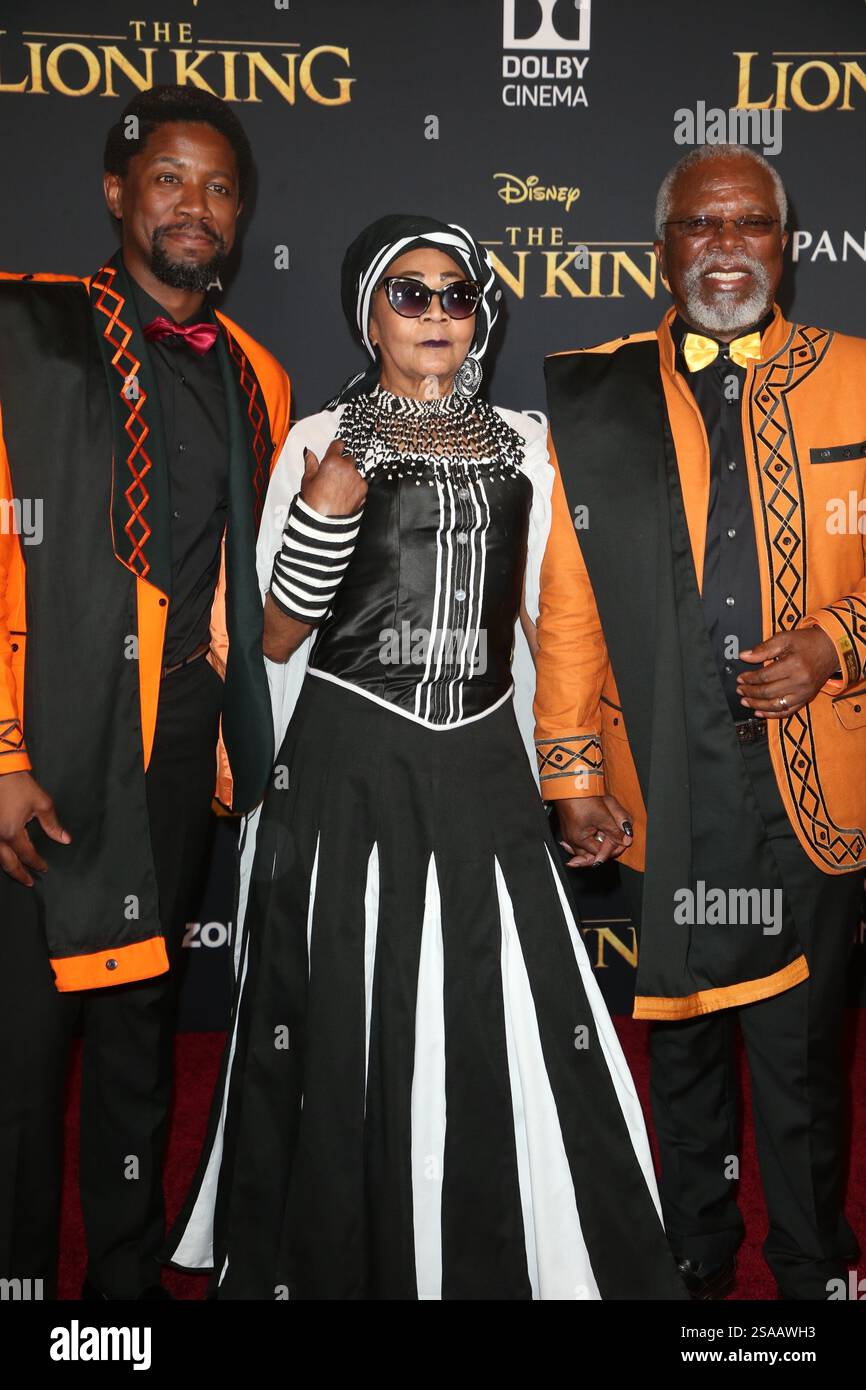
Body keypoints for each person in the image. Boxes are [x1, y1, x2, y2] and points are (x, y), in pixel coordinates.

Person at [165, 214, 687, 1300]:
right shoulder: (317, 435)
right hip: (348, 761)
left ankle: (530, 1250)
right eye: (411, 295)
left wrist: (573, 772)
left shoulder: (530, 447)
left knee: (513, 1002)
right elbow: (270, 637)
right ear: (370, 314)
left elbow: (560, 625)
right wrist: (321, 510)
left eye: (456, 294)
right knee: (348, 1002)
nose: (438, 314)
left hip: (485, 761)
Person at [535, 144, 866, 1301]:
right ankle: (693, 1254)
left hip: (811, 775)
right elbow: (564, 599)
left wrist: (834, 642)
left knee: (802, 1052)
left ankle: (814, 1264)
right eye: (698, 225)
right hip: (659, 775)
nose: (724, 246)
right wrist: (570, 765)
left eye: (749, 225)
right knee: (677, 1042)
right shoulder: (598, 390)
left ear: (785, 245)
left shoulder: (859, 378)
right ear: (659, 249)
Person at [0, 84, 291, 1300]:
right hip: (40, 753)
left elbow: (254, 587)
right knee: (21, 1061)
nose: (196, 206)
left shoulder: (257, 376)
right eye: (169, 178)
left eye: (219, 188)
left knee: (137, 1043)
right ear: (118, 192)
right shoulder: (24, 331)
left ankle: (117, 1302)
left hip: (173, 749)